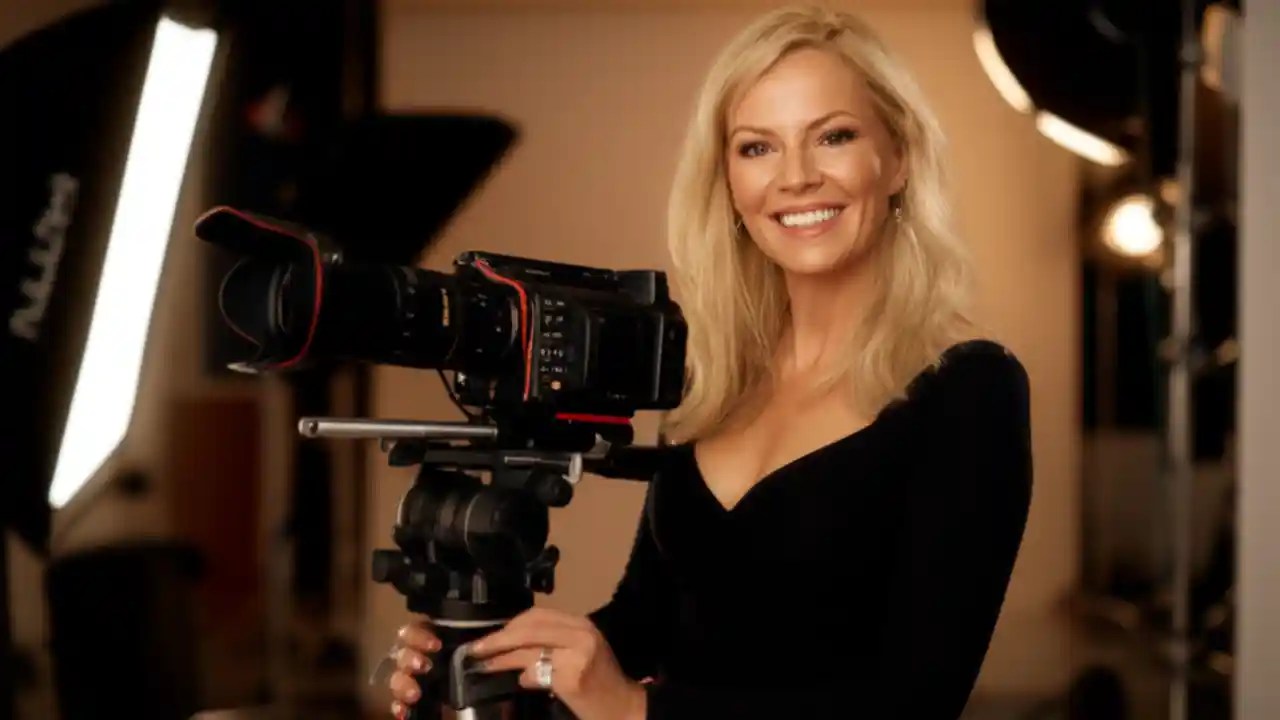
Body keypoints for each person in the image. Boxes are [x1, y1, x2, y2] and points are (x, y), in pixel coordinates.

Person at [385, 4, 1032, 719]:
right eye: (758, 148)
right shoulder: (708, 377)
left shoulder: (971, 387)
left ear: (898, 157)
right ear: (726, 181)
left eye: (834, 137)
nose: (796, 178)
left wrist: (637, 712)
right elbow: (643, 625)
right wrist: (482, 659)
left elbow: (914, 701)